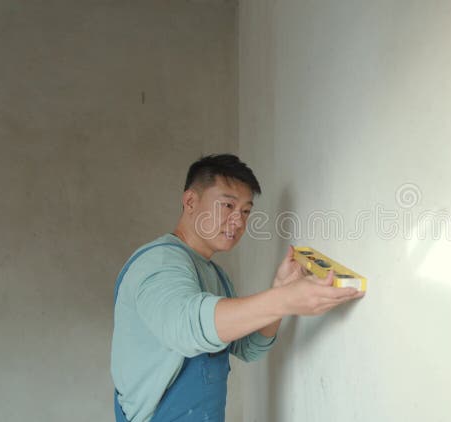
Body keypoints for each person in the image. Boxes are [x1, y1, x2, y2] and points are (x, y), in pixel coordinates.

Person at [110, 154, 364, 422]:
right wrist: (283, 299)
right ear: (190, 202)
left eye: (245, 211)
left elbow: (248, 347)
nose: (239, 221)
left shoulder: (215, 275)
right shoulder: (159, 263)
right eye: (228, 205)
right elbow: (187, 326)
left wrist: (281, 289)